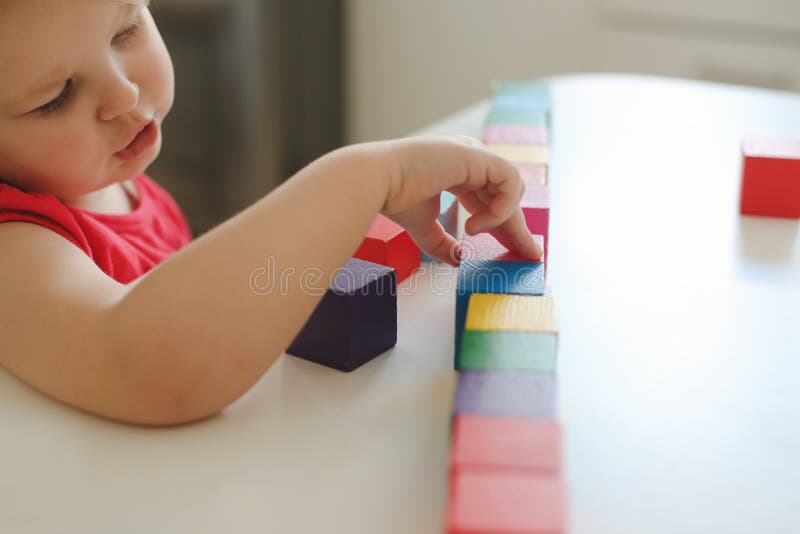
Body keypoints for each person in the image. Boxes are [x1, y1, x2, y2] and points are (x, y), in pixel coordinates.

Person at [0, 0, 542, 426]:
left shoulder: (108, 178)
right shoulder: (14, 252)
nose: (123, 93)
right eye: (54, 97)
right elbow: (145, 364)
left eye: (126, 29)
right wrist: (368, 177)